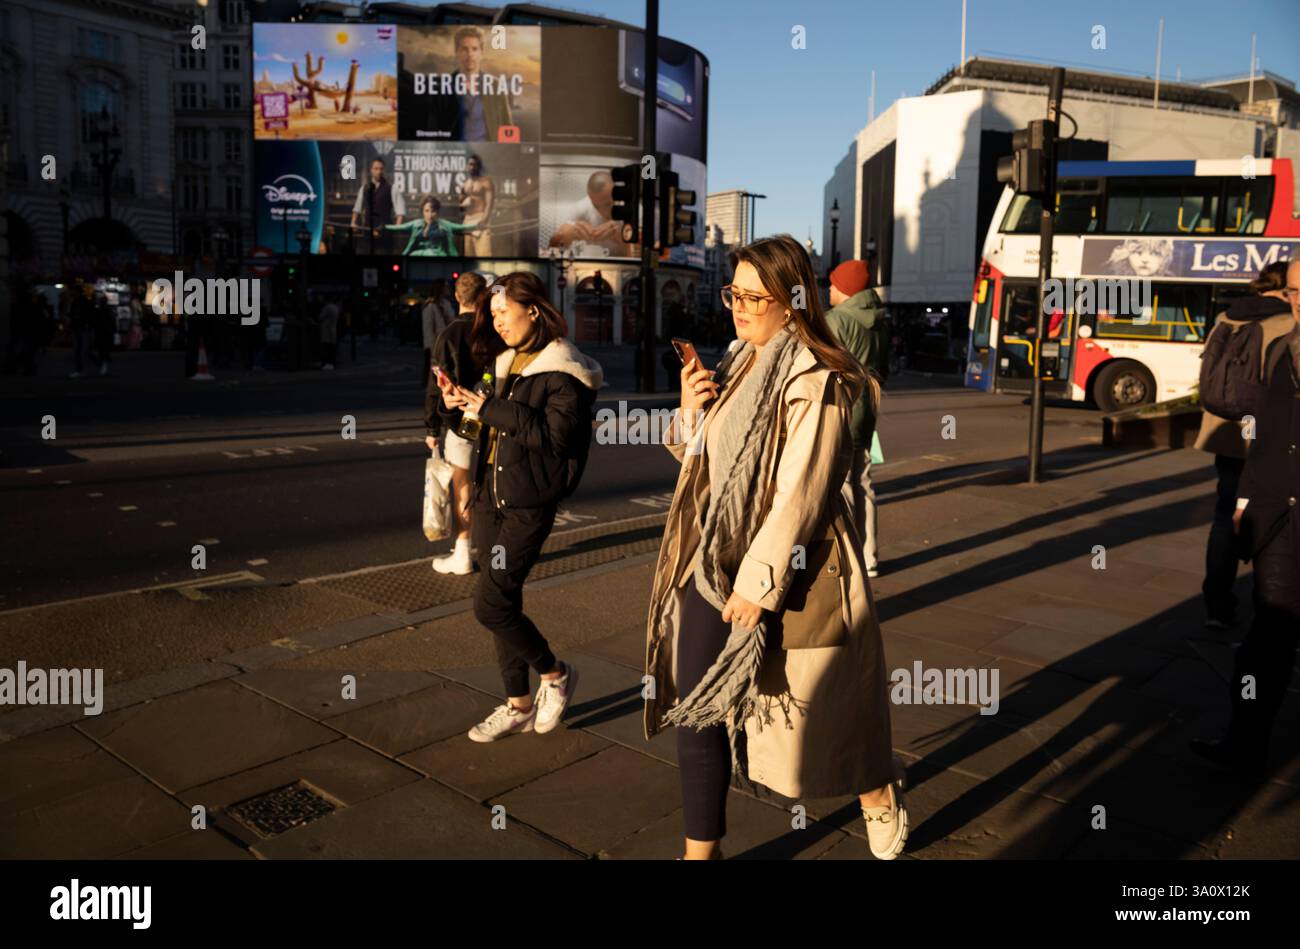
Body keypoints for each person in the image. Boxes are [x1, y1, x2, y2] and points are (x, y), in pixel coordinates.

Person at [644, 234, 906, 861]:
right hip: (712, 561)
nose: (738, 307)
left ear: (792, 301)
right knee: (698, 705)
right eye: (734, 293)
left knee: (823, 709)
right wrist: (689, 415)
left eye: (753, 298)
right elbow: (702, 464)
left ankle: (875, 790)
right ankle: (698, 856)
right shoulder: (736, 361)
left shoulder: (817, 376)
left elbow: (801, 491)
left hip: (797, 564)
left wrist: (758, 584)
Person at [435, 272, 603, 741]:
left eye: (503, 313)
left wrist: (487, 407)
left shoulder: (564, 371)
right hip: (491, 496)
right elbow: (477, 427)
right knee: (503, 602)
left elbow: (553, 439)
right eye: (491, 315)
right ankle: (518, 704)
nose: (497, 323)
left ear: (533, 310)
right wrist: (457, 407)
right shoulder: (504, 362)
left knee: (490, 604)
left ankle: (555, 674)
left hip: (529, 502)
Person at [1193, 257, 1300, 773]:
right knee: (1268, 632)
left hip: (1264, 479)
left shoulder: (1248, 322)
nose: (1299, 303)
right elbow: (1267, 435)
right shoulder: (1281, 341)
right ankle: (1243, 742)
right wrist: (1247, 504)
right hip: (1274, 503)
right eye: (1296, 292)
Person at [1193, 260, 1295, 629]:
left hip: (1225, 433)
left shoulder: (1227, 317)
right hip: (1264, 438)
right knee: (1268, 518)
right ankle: (1268, 604)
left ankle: (1216, 606)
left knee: (1224, 516)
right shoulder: (1285, 324)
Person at [825, 259, 888, 578]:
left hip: (841, 408)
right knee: (864, 481)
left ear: (846, 291)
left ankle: (851, 556)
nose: (829, 290)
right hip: (868, 408)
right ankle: (871, 555)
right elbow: (885, 369)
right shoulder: (879, 319)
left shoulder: (835, 320)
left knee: (843, 483)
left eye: (834, 285)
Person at [425, 271, 487, 575]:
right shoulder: (494, 331)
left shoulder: (447, 335)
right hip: (493, 415)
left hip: (461, 420)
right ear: (483, 297)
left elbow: (435, 384)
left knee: (462, 485)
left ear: (457, 297)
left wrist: (431, 428)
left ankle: (463, 551)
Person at [547, 171, 634, 258]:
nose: (602, 211)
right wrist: (568, 234)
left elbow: (643, 255)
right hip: (586, 269)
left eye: (608, 204)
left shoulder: (631, 209)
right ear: (589, 196)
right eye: (595, 205)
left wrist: (624, 239)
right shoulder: (580, 209)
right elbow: (552, 248)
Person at [384, 197, 478, 257]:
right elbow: (398, 227)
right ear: (422, 211)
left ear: (437, 212)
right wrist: (383, 227)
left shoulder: (444, 224)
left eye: (433, 211)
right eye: (427, 211)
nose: (430, 214)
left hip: (438, 255)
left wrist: (478, 224)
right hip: (418, 255)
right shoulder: (416, 224)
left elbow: (461, 227)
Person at [351, 157, 406, 254]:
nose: (379, 171)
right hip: (367, 234)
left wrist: (396, 228)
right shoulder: (364, 188)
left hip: (384, 235)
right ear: (371, 170)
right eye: (376, 168)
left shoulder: (392, 188)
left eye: (381, 169)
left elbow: (400, 211)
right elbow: (357, 208)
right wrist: (353, 222)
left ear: (384, 170)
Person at [458, 154, 494, 256]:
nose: (472, 167)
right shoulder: (466, 183)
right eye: (470, 164)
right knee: (469, 254)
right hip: (468, 221)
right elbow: (460, 204)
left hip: (480, 219)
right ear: (467, 166)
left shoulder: (486, 182)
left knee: (484, 254)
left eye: (474, 165)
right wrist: (462, 203)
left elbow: (489, 204)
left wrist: (484, 220)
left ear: (479, 166)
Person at [421, 282, 452, 383]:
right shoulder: (430, 306)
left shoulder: (446, 303)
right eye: (446, 286)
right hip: (434, 343)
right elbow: (428, 328)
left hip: (446, 340)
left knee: (444, 368)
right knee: (434, 371)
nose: (448, 288)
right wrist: (430, 346)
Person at [317, 297, 339, 370]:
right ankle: (332, 363)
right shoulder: (336, 308)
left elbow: (320, 317)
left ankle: (326, 364)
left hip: (326, 330)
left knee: (325, 349)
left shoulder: (327, 308)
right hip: (333, 330)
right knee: (332, 349)